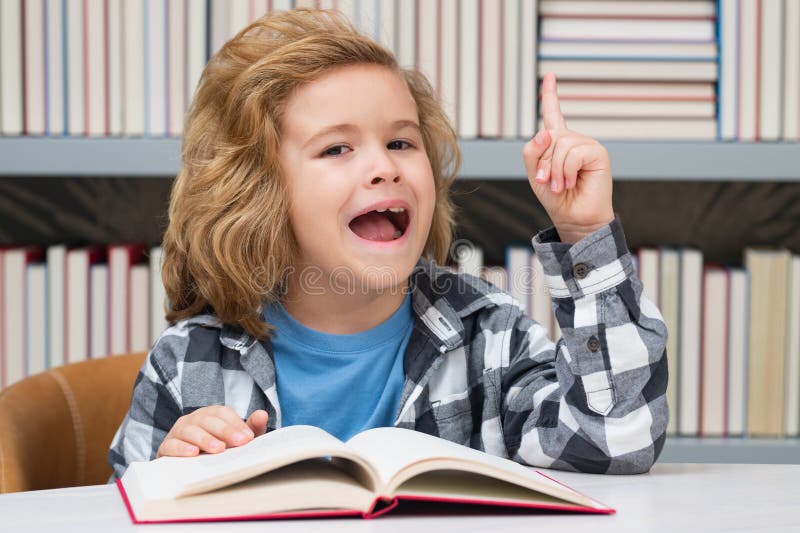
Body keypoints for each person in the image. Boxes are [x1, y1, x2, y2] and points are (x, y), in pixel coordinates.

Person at [108, 8, 668, 479]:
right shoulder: (187, 364)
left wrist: (584, 233)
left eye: (401, 142)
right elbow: (119, 508)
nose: (384, 167)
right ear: (258, 192)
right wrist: (170, 477)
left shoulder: (492, 338)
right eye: (336, 149)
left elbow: (616, 440)